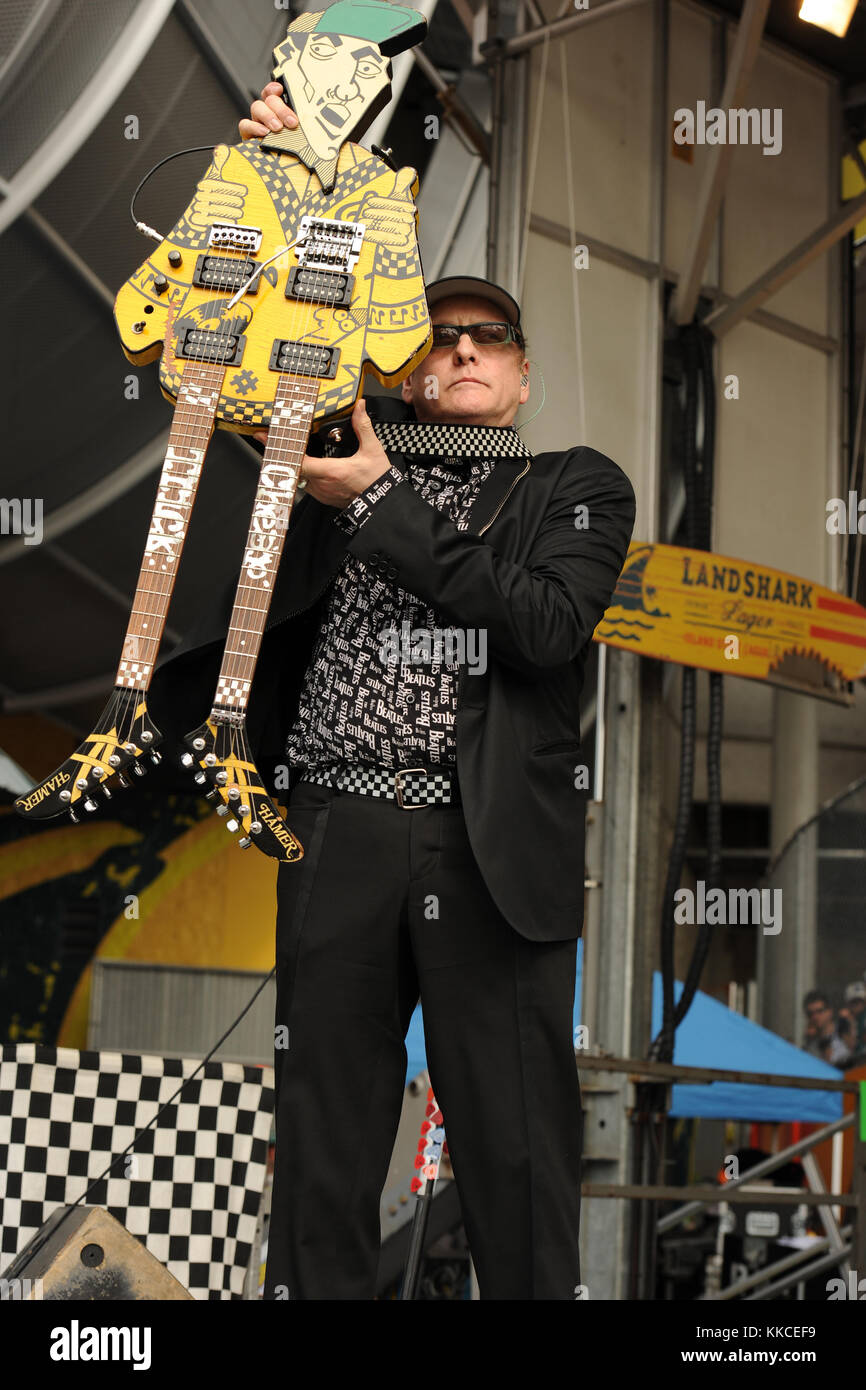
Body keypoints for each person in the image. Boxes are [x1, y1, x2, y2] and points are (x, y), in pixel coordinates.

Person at [148, 78, 636, 1300]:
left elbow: (541, 626)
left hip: (488, 845)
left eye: (488, 338)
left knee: (515, 1152)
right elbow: (262, 323)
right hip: (339, 827)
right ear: (405, 366)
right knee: (322, 1146)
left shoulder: (575, 485)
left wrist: (376, 500)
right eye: (439, 335)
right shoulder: (335, 435)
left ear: (520, 377)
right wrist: (283, 175)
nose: (462, 348)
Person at [802, 990, 851, 1069]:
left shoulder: (844, 1033)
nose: (815, 1017)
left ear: (830, 1011)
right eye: (810, 1014)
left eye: (819, 1011)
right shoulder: (811, 1045)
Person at [838, 981, 866, 1059]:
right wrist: (850, 1022)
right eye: (854, 1002)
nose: (858, 1005)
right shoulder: (844, 1020)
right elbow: (851, 1045)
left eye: (861, 1001)